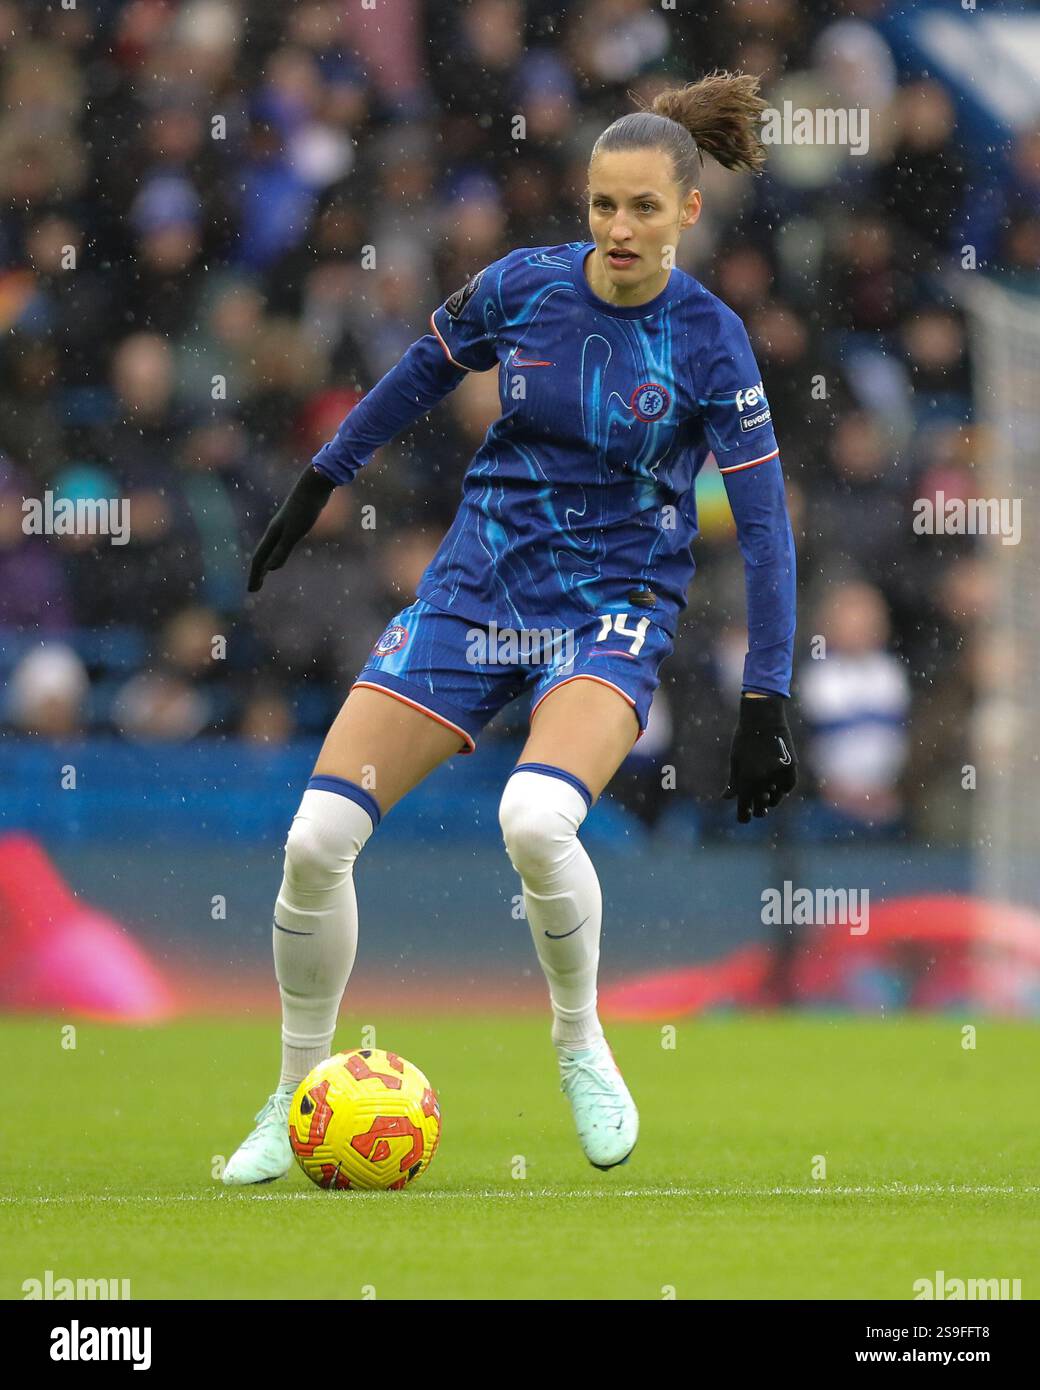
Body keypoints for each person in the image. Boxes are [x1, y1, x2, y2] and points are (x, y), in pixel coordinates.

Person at [223, 71, 798, 1185]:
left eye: (641, 207)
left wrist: (767, 695)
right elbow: (415, 375)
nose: (617, 228)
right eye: (600, 205)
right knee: (313, 843)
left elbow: (766, 528)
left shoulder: (712, 341)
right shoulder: (522, 288)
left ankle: (579, 1038)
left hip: (611, 612)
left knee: (535, 820)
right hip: (474, 591)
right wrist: (320, 478)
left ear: (688, 209)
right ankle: (291, 1093)